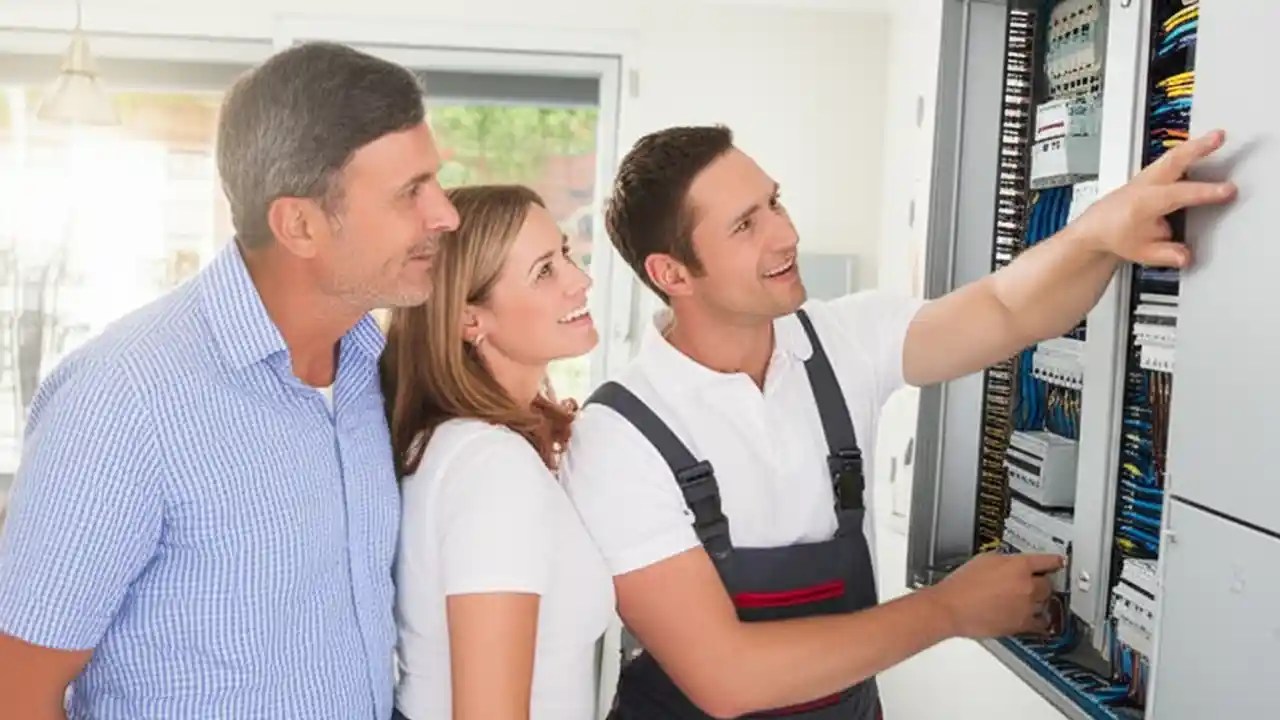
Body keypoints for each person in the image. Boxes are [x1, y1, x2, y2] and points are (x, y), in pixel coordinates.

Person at [562, 124, 1235, 719]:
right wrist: (949, 611)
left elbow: (1008, 309)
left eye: (774, 201)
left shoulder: (841, 340)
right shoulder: (621, 432)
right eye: (745, 224)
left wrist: (1099, 233)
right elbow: (727, 679)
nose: (786, 233)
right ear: (671, 272)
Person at [0, 42, 459, 719]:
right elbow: (16, 689)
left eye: (434, 182)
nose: (444, 214)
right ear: (298, 225)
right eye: (409, 193)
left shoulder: (369, 370)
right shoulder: (124, 398)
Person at [380, 185, 613, 720]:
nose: (581, 280)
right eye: (544, 271)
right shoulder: (491, 469)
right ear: (469, 320)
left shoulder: (450, 446)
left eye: (566, 255)